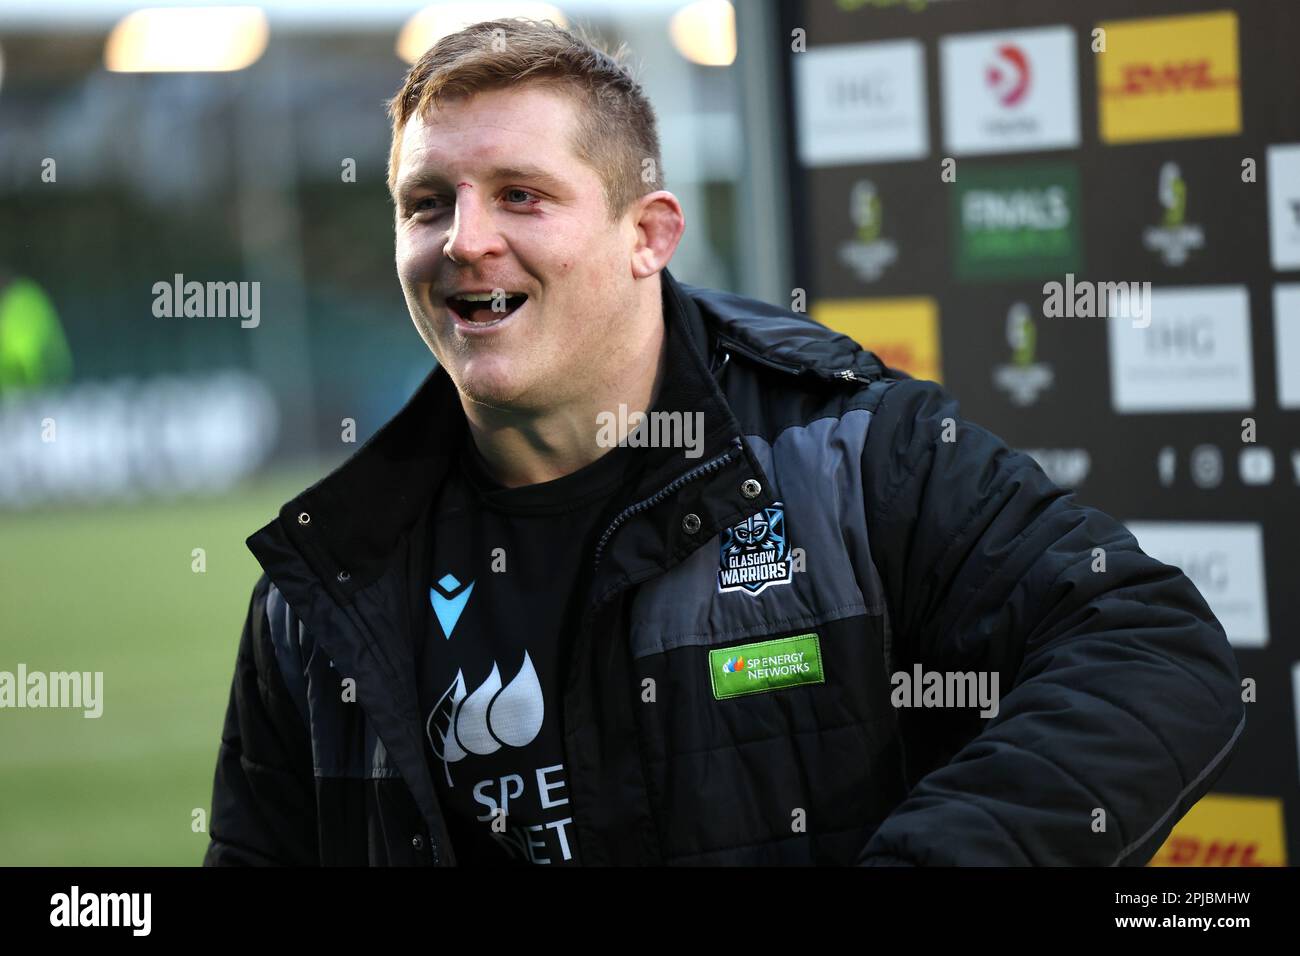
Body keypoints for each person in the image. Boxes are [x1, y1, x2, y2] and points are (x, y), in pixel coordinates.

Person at [203, 18, 1244, 866]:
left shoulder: (851, 450)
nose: (465, 238)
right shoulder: (325, 575)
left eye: (521, 193)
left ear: (648, 234)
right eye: (427, 204)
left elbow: (1150, 645)